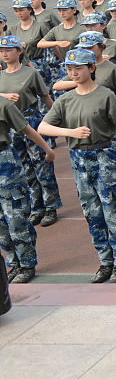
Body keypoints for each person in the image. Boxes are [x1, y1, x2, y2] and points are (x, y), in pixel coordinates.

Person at [38, 49, 116, 284]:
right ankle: (104, 261)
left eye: (78, 68)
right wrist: (70, 132)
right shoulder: (66, 99)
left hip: (105, 156)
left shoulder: (106, 95)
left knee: (113, 210)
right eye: (69, 69)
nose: (73, 73)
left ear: (91, 68)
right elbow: (43, 127)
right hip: (79, 158)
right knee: (92, 212)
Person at [0, 87, 54, 284]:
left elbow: (27, 129)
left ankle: (27, 262)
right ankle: (13, 262)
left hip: (4, 162)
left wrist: (47, 148)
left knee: (15, 216)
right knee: (0, 221)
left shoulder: (4, 105)